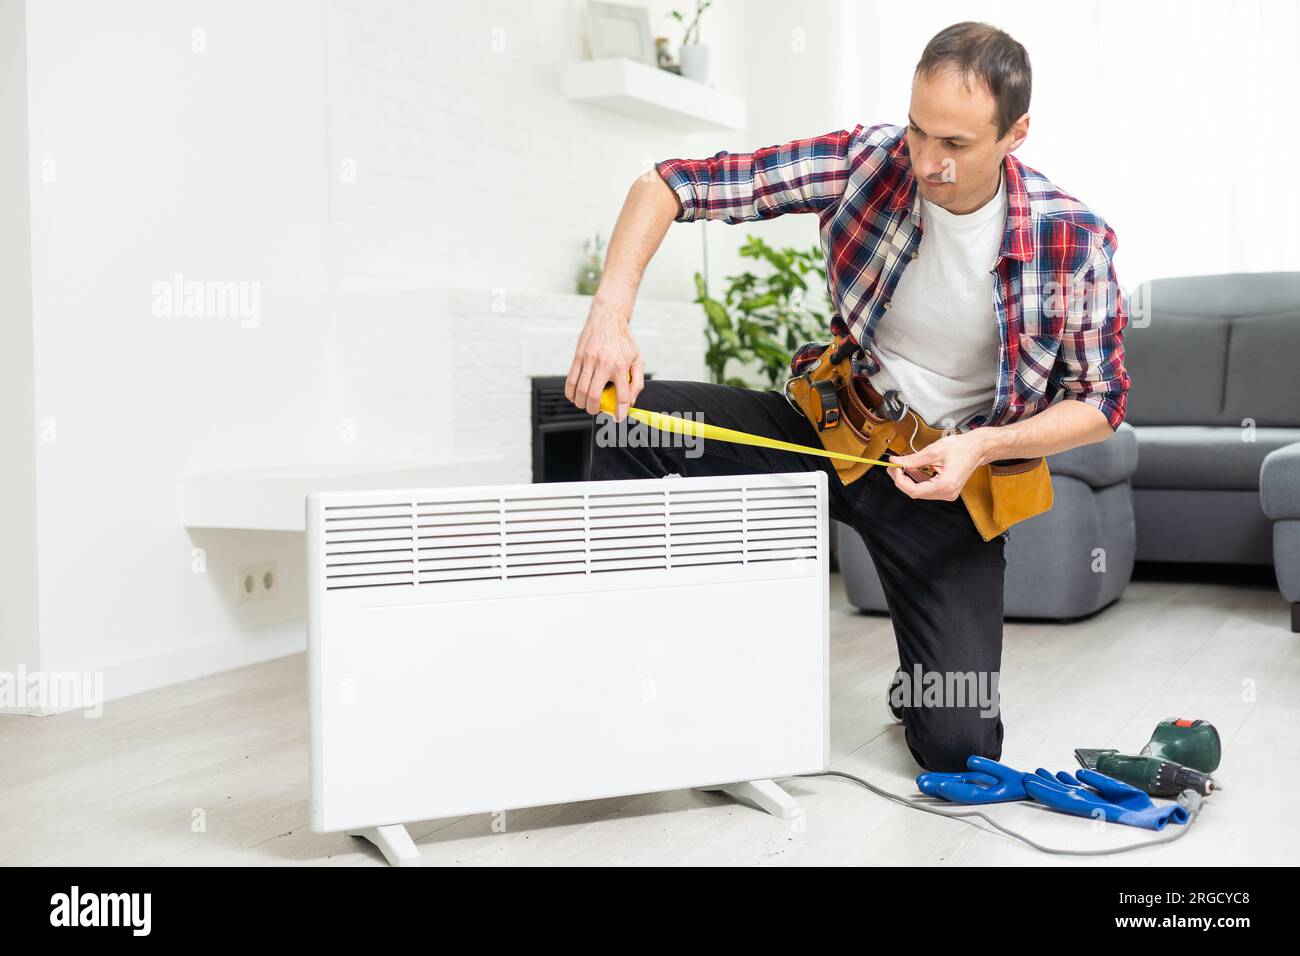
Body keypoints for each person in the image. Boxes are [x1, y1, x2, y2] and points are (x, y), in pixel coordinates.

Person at [564, 21, 1131, 772]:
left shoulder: (1073, 240)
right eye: (919, 130)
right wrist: (610, 313)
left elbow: (1101, 400)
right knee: (631, 427)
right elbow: (668, 183)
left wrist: (984, 445)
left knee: (957, 750)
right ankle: (616, 669)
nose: (927, 162)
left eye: (955, 145)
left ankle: (917, 691)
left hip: (948, 483)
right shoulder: (866, 161)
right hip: (829, 430)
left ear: (1015, 133)